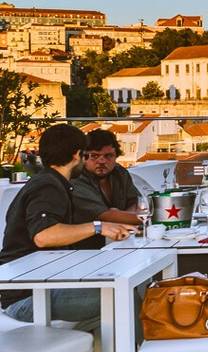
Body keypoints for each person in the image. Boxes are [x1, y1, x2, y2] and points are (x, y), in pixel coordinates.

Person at [1, 124, 136, 323]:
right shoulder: (48, 186)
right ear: (76, 155)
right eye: (85, 155)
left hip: (42, 286)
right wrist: (98, 226)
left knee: (122, 293)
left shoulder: (52, 182)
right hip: (28, 297)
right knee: (124, 295)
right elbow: (43, 236)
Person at [71, 128, 143, 226]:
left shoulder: (119, 172)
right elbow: (106, 216)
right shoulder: (76, 179)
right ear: (84, 157)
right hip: (89, 238)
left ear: (116, 156)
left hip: (122, 234)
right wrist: (148, 218)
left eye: (108, 156)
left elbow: (134, 201)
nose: (102, 161)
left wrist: (124, 216)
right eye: (94, 156)